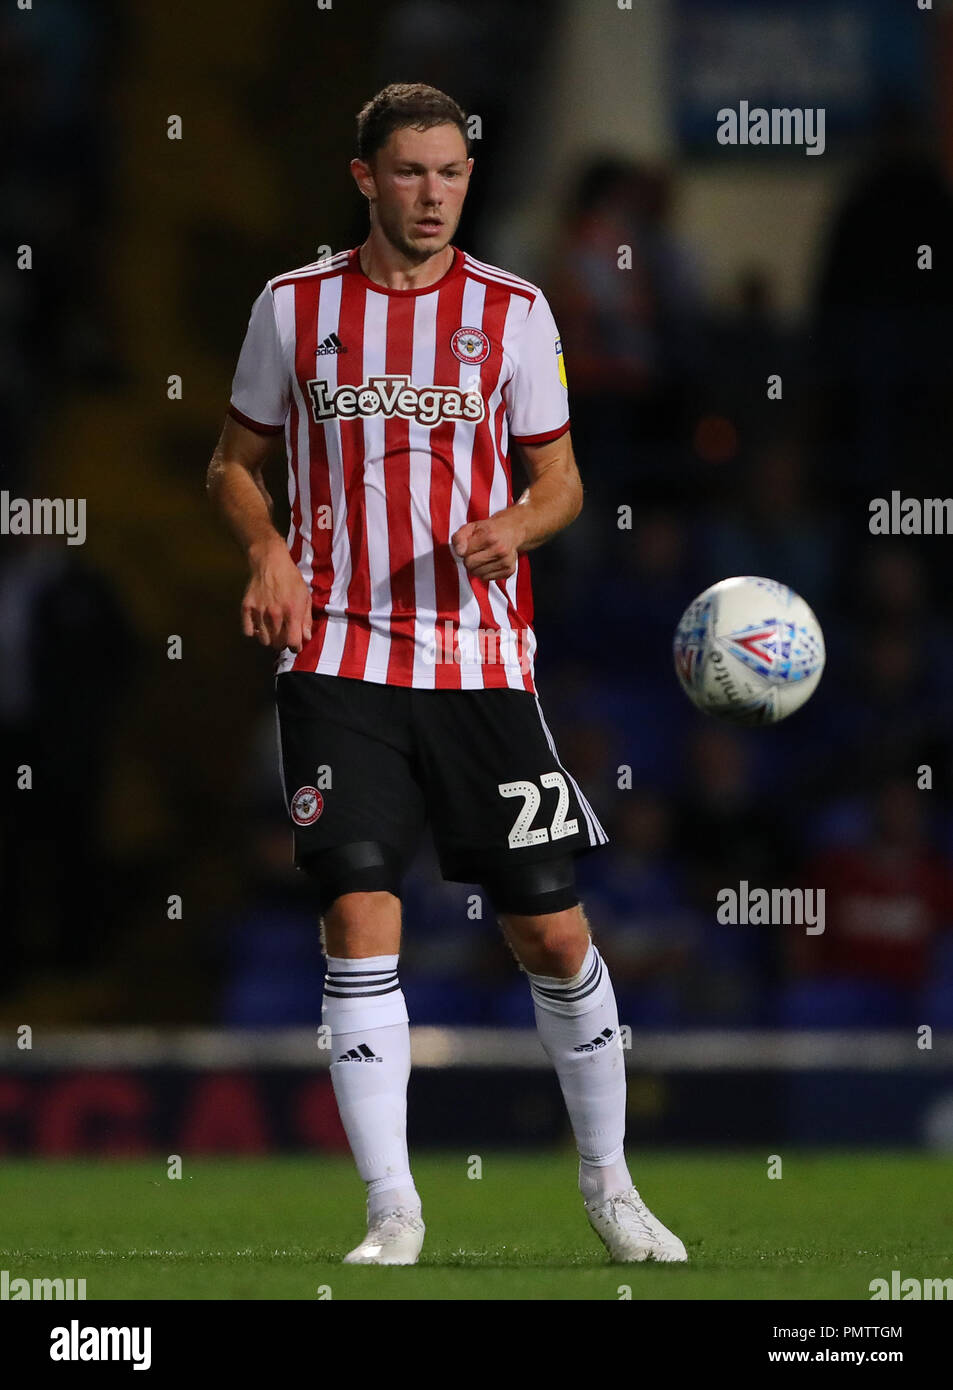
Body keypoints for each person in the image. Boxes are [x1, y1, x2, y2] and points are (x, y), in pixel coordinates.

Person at [207, 82, 685, 1267]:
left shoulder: (514, 312)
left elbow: (561, 480)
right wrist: (268, 548)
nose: (433, 195)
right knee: (358, 907)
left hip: (479, 665)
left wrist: (517, 527)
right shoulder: (293, 307)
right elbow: (231, 461)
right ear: (363, 177)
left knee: (551, 935)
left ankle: (610, 1186)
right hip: (338, 657)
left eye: (452, 173)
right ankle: (392, 1208)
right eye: (411, 172)